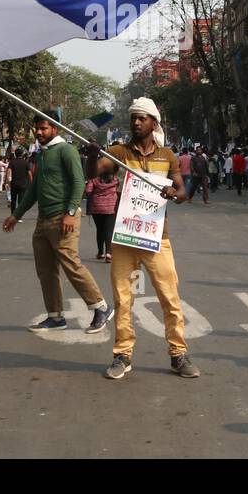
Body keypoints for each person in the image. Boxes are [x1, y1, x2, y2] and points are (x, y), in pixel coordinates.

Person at [95, 97, 199, 380]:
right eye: (133, 118)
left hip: (157, 238)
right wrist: (94, 155)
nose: (137, 122)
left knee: (170, 297)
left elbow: (182, 194)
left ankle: (178, 354)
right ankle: (122, 356)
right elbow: (101, 168)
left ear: (154, 122)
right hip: (125, 237)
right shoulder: (120, 152)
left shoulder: (167, 156)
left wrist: (172, 194)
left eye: (142, 118)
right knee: (123, 299)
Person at [3, 116, 112, 334]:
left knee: (71, 263)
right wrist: (16, 214)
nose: (39, 132)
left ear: (55, 128)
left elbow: (79, 181)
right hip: (43, 220)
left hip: (62, 217)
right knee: (45, 270)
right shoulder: (42, 154)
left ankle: (100, 307)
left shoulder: (66, 150)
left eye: (43, 128)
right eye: (36, 128)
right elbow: (34, 189)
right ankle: (55, 316)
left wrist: (71, 212)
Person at [85, 157, 120, 262]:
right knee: (109, 230)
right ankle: (109, 253)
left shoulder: (94, 179)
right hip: (111, 208)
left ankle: (100, 252)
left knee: (100, 230)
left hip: (97, 207)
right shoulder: (115, 179)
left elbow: (88, 190)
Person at [8, 148, 31, 218]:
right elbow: (29, 173)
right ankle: (19, 216)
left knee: (13, 200)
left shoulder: (12, 162)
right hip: (23, 184)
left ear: (15, 154)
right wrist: (31, 183)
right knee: (21, 201)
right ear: (22, 154)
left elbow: (9, 171)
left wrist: (8, 181)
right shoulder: (25, 162)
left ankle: (13, 215)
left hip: (14, 183)